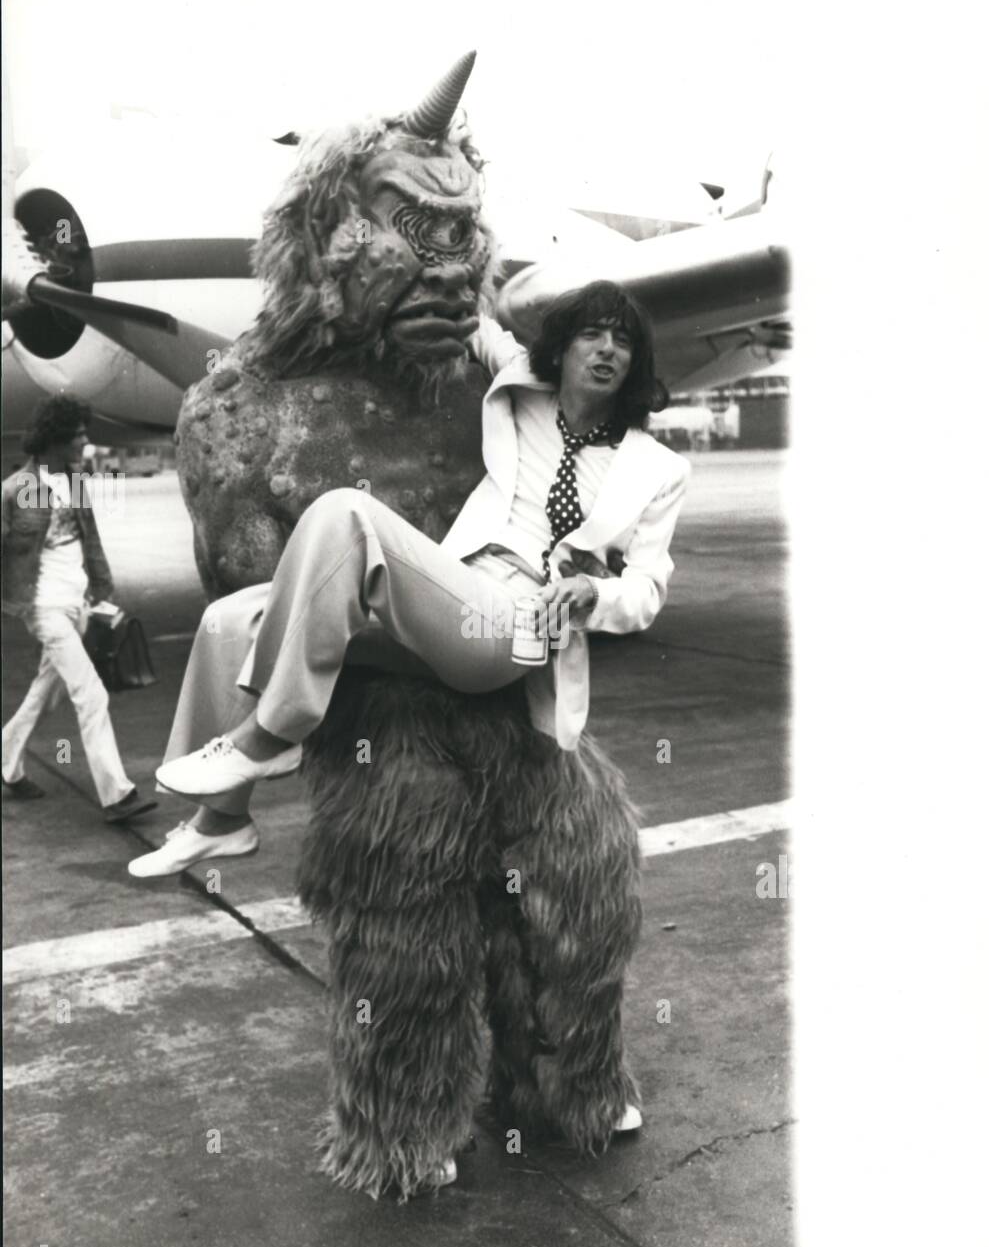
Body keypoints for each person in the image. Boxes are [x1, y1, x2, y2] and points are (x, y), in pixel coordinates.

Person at [130, 280, 690, 877]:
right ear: (564, 348)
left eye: (623, 342)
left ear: (635, 364)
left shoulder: (658, 469)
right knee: (229, 619)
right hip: (446, 590)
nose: (607, 350)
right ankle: (222, 822)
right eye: (592, 334)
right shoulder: (525, 389)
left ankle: (270, 736)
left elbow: (648, 589)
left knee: (349, 514)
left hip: (516, 625)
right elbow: (475, 318)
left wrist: (593, 592)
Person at [1, 395, 156, 823]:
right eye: (78, 434)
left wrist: (103, 589)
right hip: (44, 606)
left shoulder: (72, 480)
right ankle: (117, 794)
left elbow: (90, 539)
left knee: (45, 693)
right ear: (54, 439)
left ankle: (6, 761)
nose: (86, 441)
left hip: (78, 600)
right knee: (91, 694)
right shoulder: (20, 489)